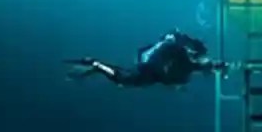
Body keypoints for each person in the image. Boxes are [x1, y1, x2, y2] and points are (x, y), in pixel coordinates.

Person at [65, 29, 228, 88]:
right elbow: (170, 40)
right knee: (122, 79)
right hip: (149, 64)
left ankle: (95, 66)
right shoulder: (181, 54)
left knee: (123, 78)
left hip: (151, 68)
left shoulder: (184, 70)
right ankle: (95, 64)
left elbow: (170, 78)